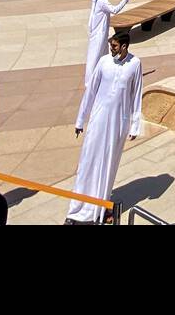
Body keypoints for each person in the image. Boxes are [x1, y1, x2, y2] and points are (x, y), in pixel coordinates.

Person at [65, 31, 143, 224]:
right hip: (99, 120)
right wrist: (80, 120)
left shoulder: (135, 64)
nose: (111, 49)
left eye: (115, 46)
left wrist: (134, 125)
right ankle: (77, 209)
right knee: (88, 161)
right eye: (111, 46)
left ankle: (99, 206)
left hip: (118, 123)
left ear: (124, 46)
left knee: (108, 164)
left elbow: (136, 95)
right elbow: (91, 91)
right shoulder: (104, 62)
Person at [79, 0, 132, 115]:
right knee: (95, 57)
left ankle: (101, 77)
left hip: (101, 33)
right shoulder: (102, 0)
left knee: (102, 56)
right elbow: (115, 10)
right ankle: (90, 83)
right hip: (98, 34)